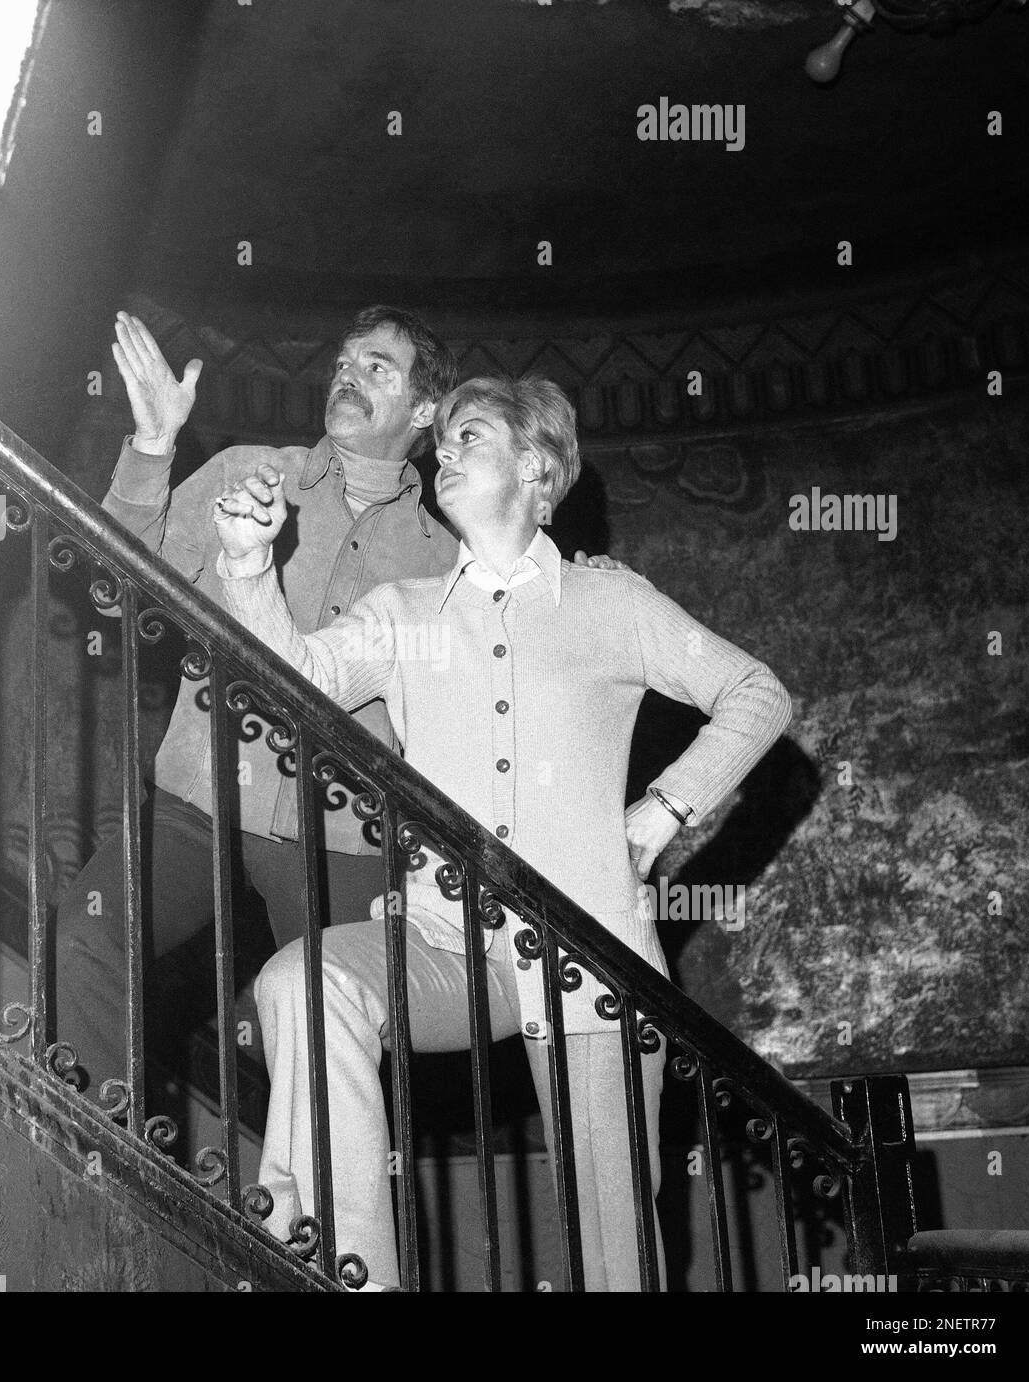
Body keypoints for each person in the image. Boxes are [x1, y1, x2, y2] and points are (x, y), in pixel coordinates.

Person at [212, 374, 793, 1290]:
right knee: (303, 982)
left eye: (469, 436)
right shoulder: (404, 614)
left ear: (533, 465)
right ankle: (350, 1273)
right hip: (446, 940)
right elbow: (296, 681)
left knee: (612, 1251)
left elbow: (757, 694)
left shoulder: (612, 603)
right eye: (443, 440)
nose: (443, 451)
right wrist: (249, 567)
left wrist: (667, 807)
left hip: (591, 961)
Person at [55, 307, 617, 1094]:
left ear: (425, 412)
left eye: (377, 367)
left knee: (332, 1030)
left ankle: (315, 1211)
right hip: (199, 797)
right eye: (344, 362)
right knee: (88, 934)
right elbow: (109, 588)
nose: (348, 374)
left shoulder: (449, 555)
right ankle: (102, 1167)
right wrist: (151, 446)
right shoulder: (246, 470)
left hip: (345, 836)